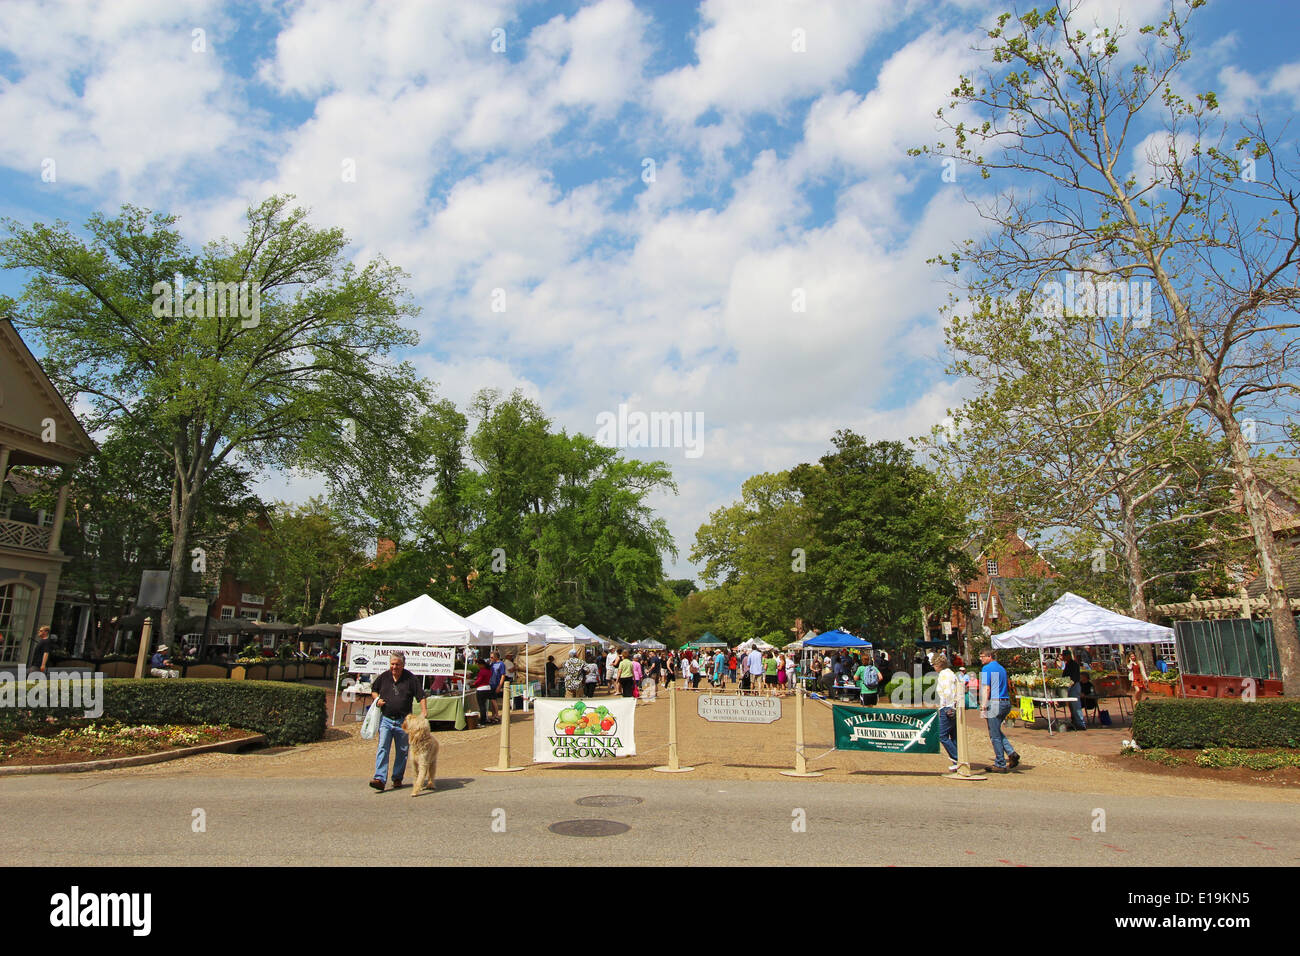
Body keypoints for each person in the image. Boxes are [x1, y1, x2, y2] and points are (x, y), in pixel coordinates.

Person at [369, 651, 428, 791]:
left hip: (403, 721)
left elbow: (421, 695)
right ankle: (379, 778)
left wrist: (424, 712)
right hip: (386, 719)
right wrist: (377, 700)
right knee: (383, 747)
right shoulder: (384, 677)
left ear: (403, 665)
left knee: (402, 750)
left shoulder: (410, 679)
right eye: (392, 664)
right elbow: (374, 690)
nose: (394, 667)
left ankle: (397, 778)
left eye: (397, 664)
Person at [978, 649, 1019, 773]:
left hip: (995, 703)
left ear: (989, 656)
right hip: (1005, 702)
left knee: (994, 735)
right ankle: (1011, 753)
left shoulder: (986, 669)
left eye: (982, 656)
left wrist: (984, 705)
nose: (981, 659)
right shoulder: (1002, 668)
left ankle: (1000, 763)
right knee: (996, 731)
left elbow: (987, 688)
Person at [935, 654, 960, 771]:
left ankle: (957, 758)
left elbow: (947, 692)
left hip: (948, 707)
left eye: (934, 665)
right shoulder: (951, 673)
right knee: (953, 735)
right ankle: (958, 759)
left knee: (942, 735)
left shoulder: (943, 675)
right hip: (954, 706)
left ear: (939, 665)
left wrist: (945, 706)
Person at [1060, 650, 1087, 731]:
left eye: (1064, 656)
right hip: (1070, 685)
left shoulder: (1074, 664)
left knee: (1076, 705)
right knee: (1072, 706)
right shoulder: (1067, 664)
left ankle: (1081, 723)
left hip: (1074, 686)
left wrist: (1070, 685)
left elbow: (1074, 677)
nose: (1063, 657)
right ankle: (1075, 721)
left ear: (1068, 656)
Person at [473, 657, 496, 724]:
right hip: (487, 688)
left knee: (481, 705)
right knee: (484, 705)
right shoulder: (489, 671)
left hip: (481, 689)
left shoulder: (482, 671)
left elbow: (479, 680)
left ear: (481, 665)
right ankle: (485, 718)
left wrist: (474, 683)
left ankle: (483, 720)